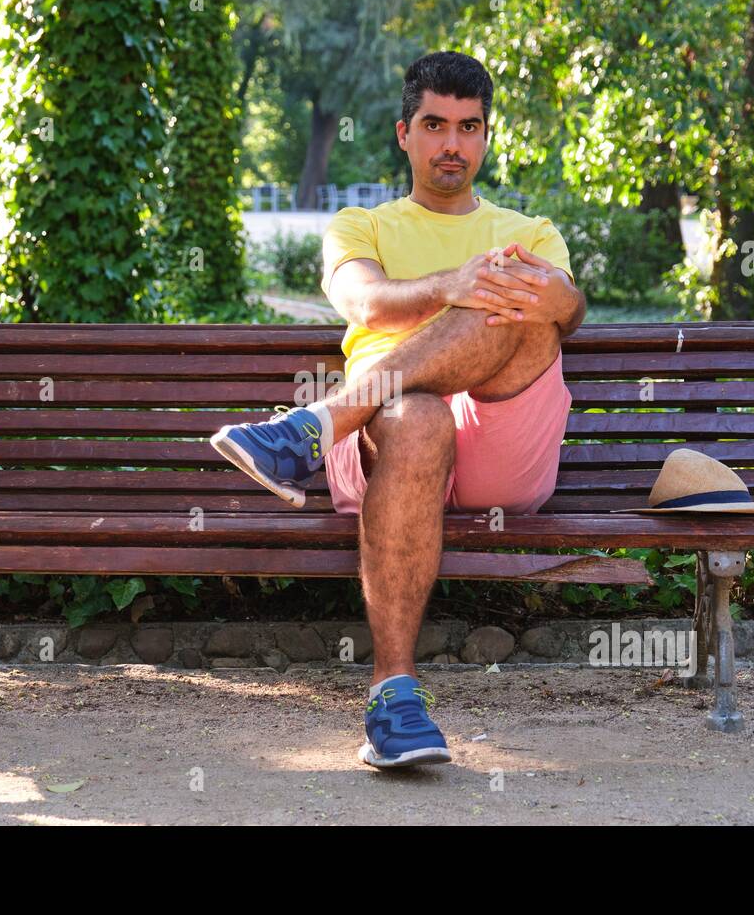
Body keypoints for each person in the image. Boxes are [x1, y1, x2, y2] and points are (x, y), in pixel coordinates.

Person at [210, 51, 586, 769]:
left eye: (470, 127)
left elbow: (566, 309)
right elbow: (364, 303)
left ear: (486, 134)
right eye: (436, 125)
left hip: (500, 451)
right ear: (403, 133)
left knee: (522, 299)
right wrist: (455, 284)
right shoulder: (362, 225)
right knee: (421, 414)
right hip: (389, 442)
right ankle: (394, 696)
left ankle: (308, 430)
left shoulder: (530, 231)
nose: (454, 144)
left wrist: (523, 292)